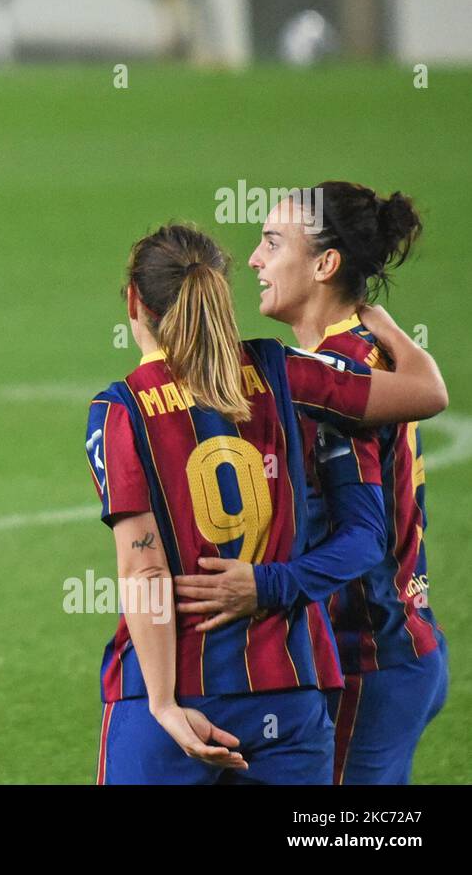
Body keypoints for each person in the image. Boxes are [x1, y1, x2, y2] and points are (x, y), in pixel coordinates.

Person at [85, 222, 446, 784]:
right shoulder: (284, 372)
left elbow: (144, 567)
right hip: (289, 687)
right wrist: (384, 325)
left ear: (134, 300)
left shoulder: (120, 411)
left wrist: (161, 704)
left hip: (172, 688)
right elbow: (427, 394)